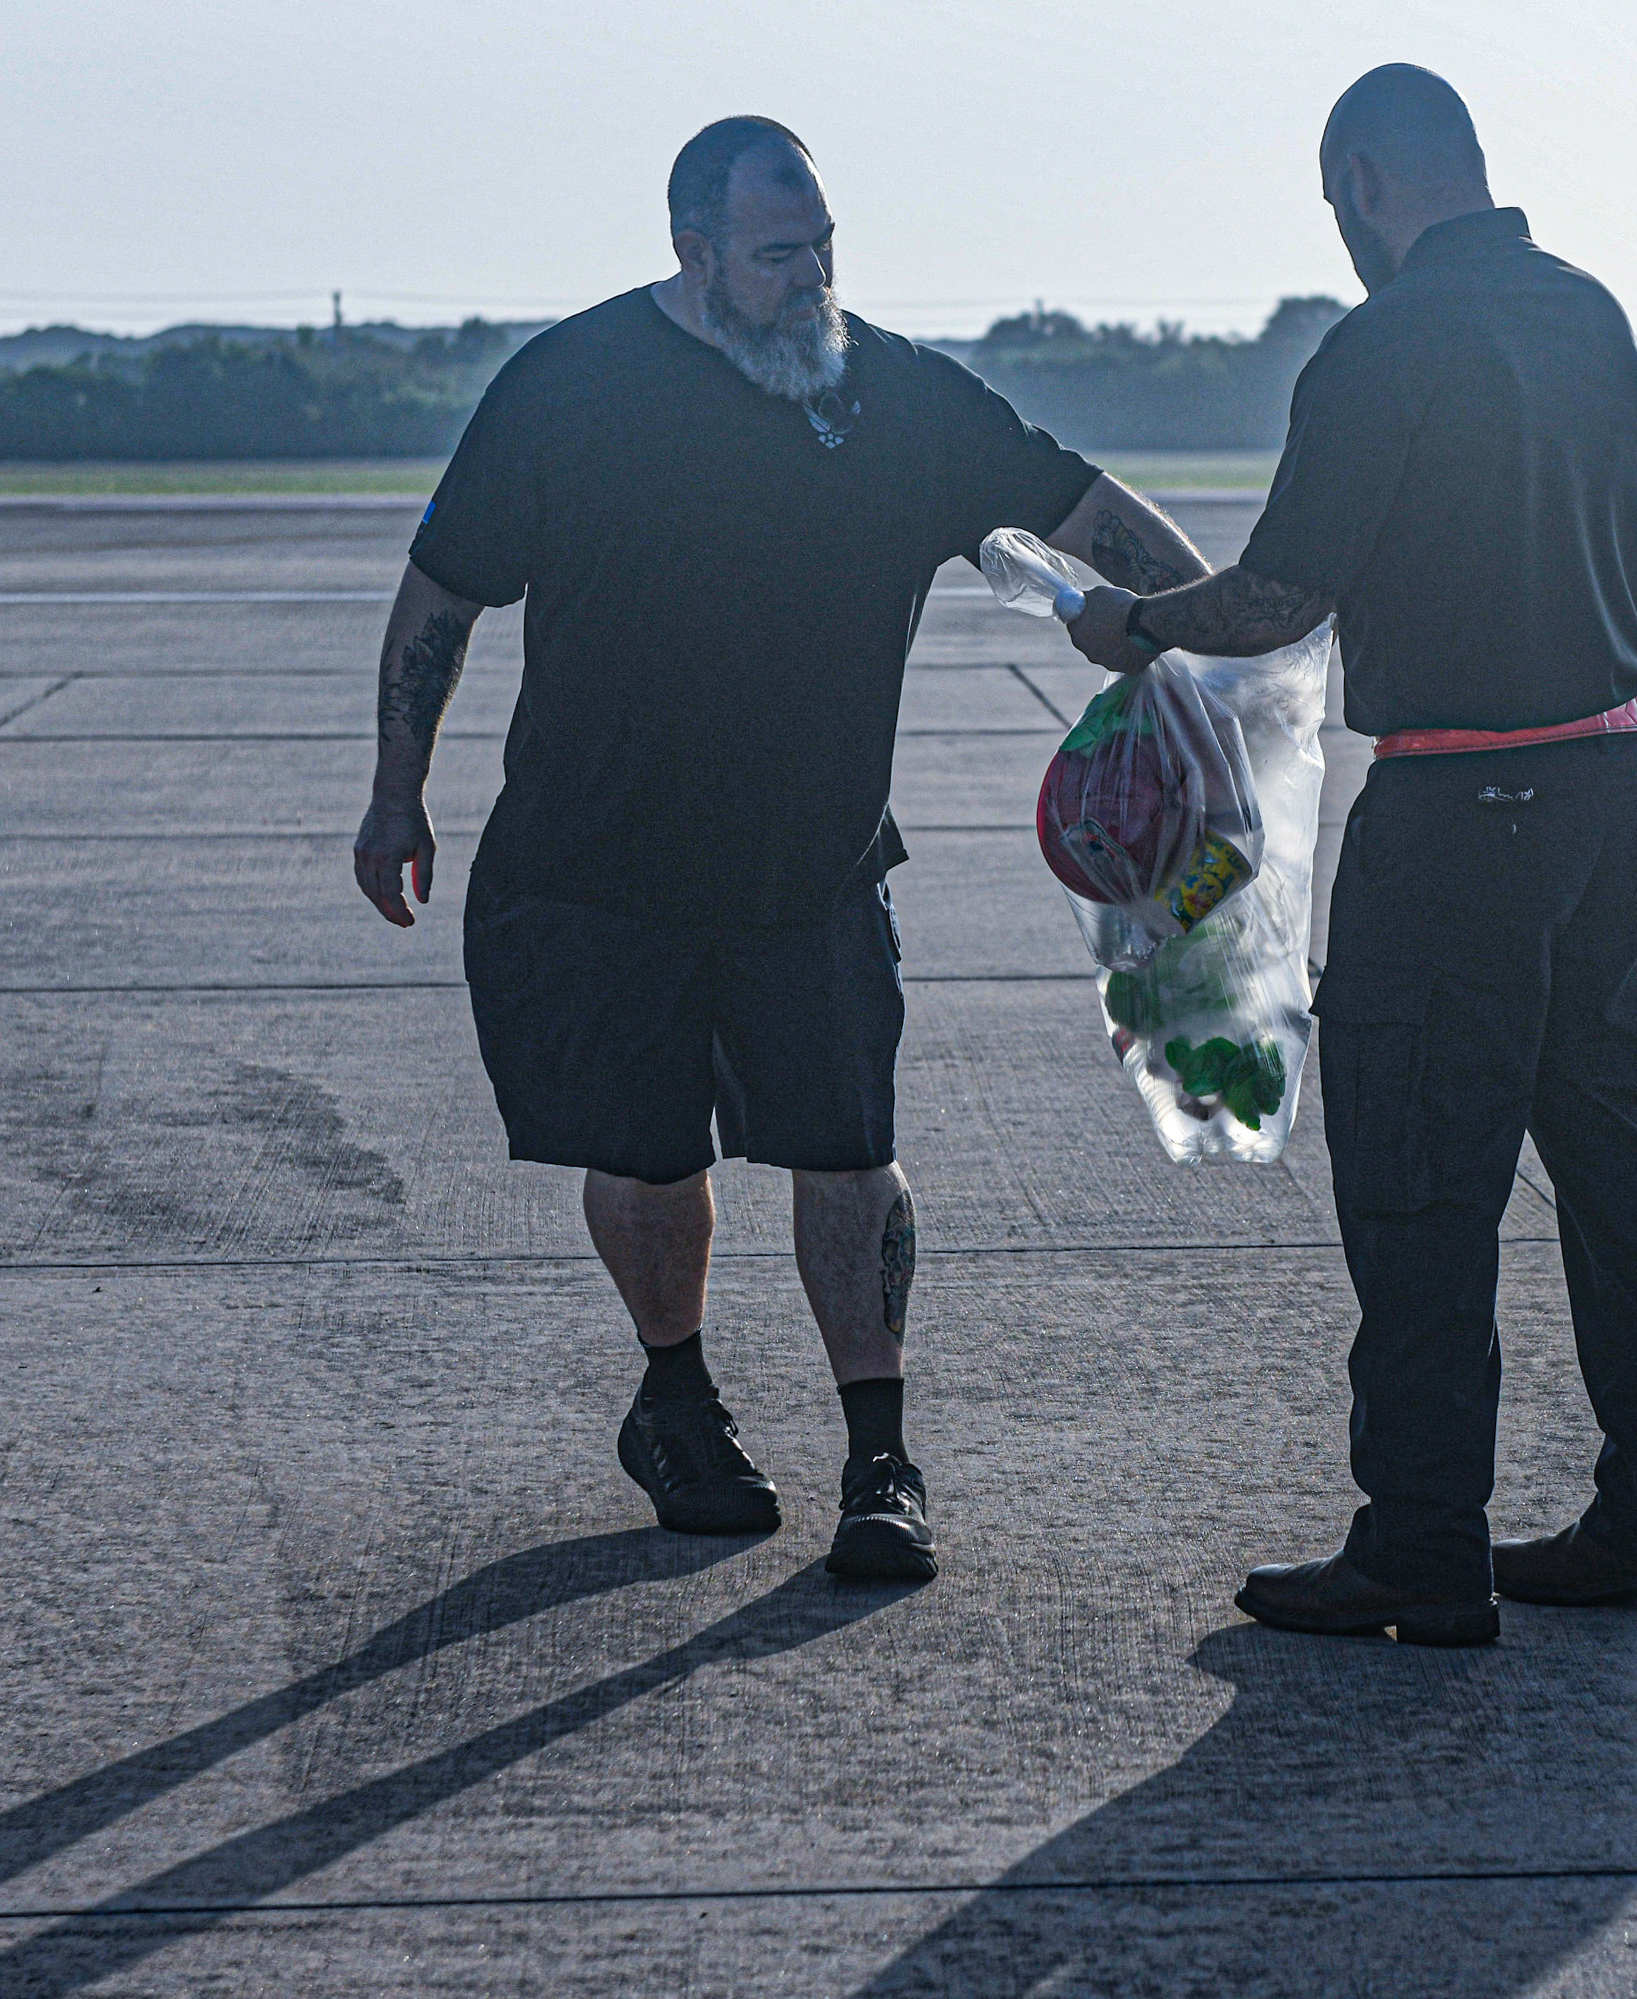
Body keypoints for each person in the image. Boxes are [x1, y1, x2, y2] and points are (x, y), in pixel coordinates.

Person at [351, 117, 1210, 1580]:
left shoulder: (898, 396)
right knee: (643, 1159)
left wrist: (1205, 616)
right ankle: (675, 1397)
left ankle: (880, 1453)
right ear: (691, 250)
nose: (811, 275)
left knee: (849, 1153)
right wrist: (394, 789)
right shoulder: (572, 386)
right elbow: (443, 593)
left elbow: (1076, 505)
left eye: (824, 243)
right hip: (596, 861)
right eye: (775, 252)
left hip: (810, 861)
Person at [1060, 65, 1637, 1647]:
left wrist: (1131, 622)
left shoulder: (1382, 345)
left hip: (1461, 809)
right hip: (1614, 787)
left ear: (1364, 179)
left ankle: (1424, 1538)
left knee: (1422, 1182)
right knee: (1619, 1170)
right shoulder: (1588, 314)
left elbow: (1280, 593)